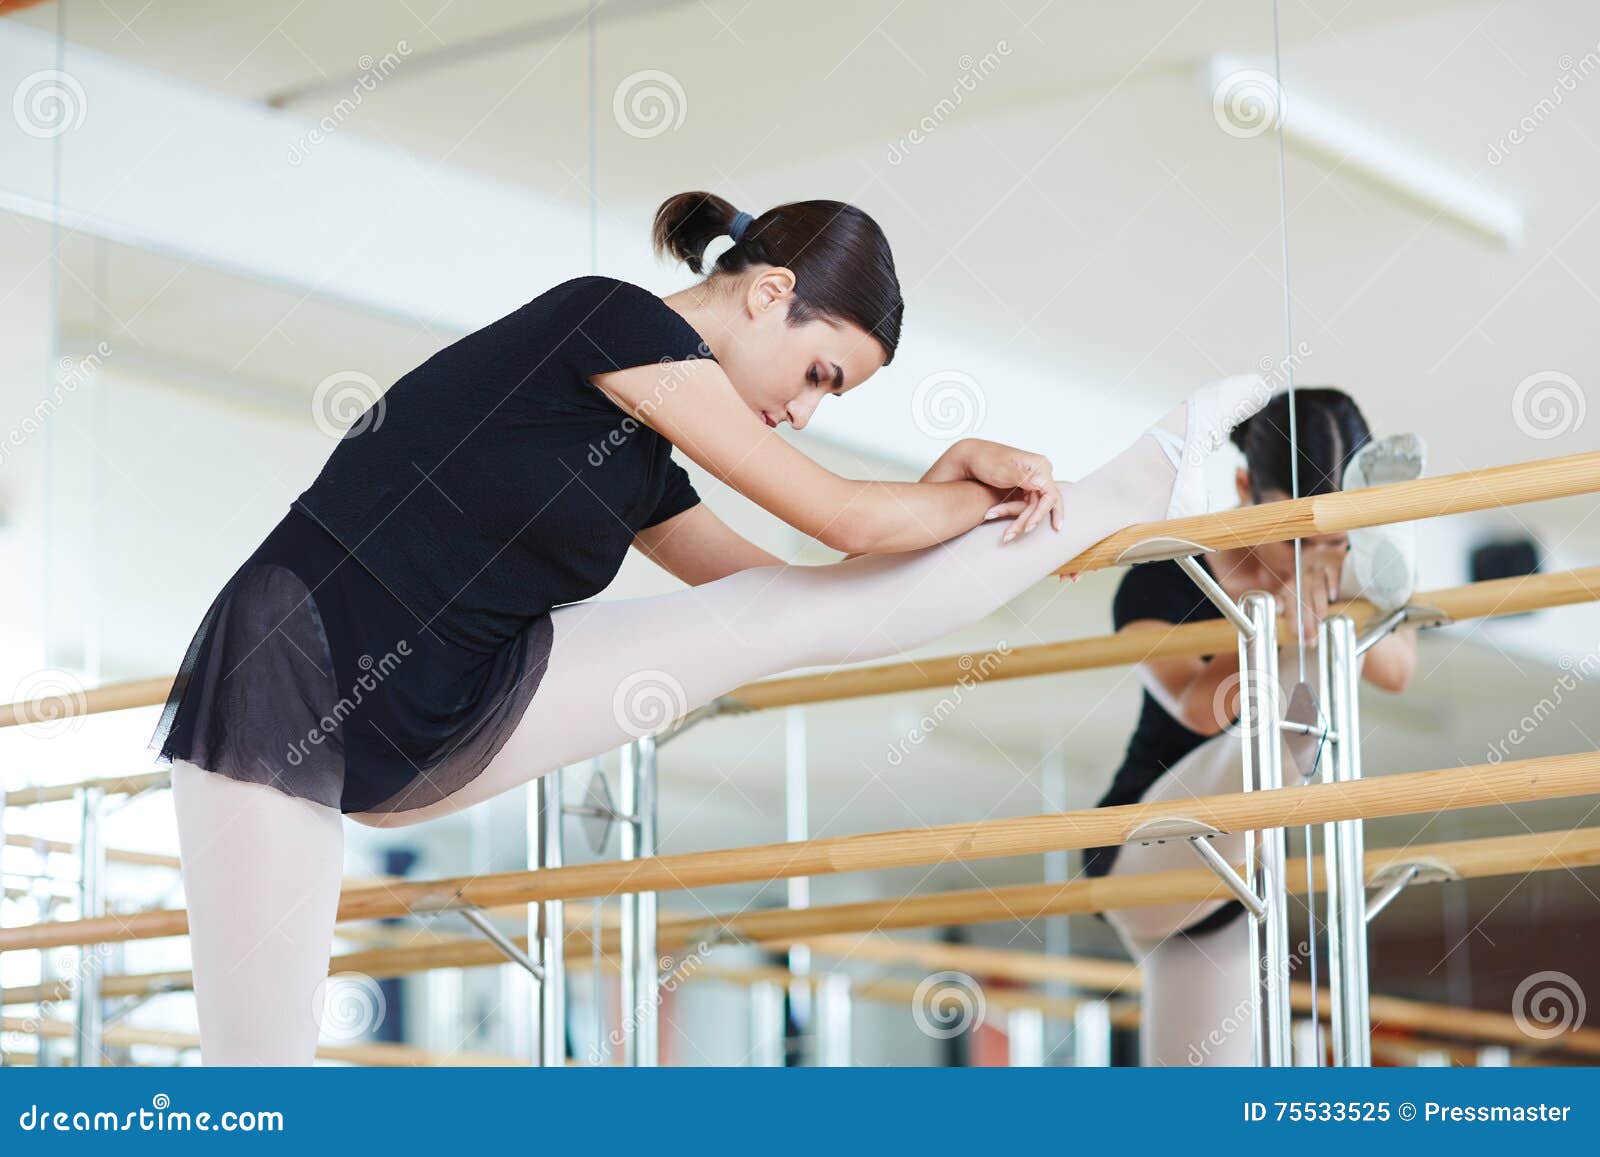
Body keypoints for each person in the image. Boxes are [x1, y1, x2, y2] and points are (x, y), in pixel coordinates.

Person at [151, 190, 1269, 1065]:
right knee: (262, 1067)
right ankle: (1129, 484)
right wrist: (975, 483)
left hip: (457, 689)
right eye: (820, 371)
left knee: (776, 618)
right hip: (291, 676)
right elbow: (842, 512)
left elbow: (805, 586)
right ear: (767, 290)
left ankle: (1133, 489)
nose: (805, 406)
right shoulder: (612, 319)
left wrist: (949, 487)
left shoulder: (638, 459)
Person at [1081, 388, 1420, 1066]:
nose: (1310, 557)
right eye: (1293, 535)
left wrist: (1345, 585)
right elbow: (1199, 707)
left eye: (1334, 540)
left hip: (1232, 889)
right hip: (1146, 847)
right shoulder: (1166, 573)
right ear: (1243, 486)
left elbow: (1398, 666)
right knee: (1317, 661)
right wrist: (1272, 619)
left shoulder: (1331, 579)